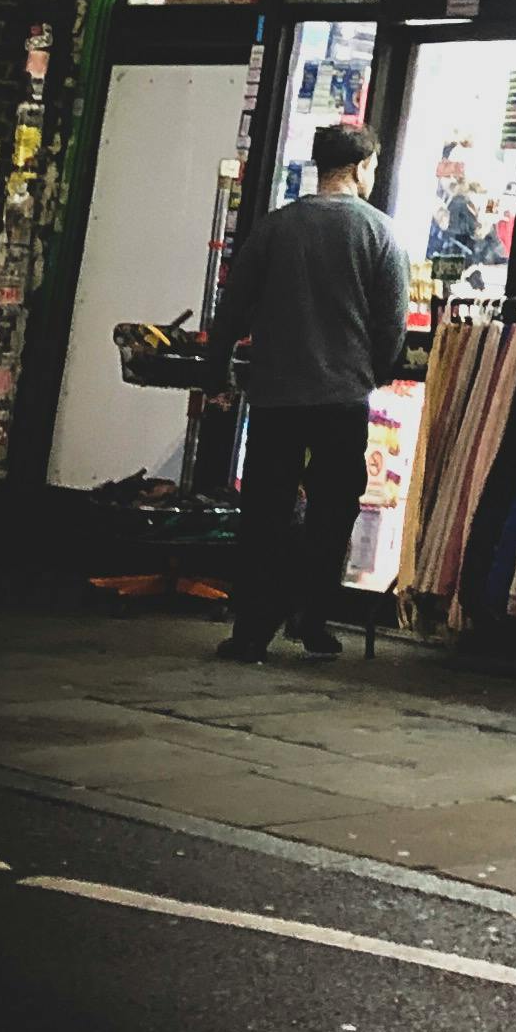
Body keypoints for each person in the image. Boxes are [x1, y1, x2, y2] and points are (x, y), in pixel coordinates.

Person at [206, 120, 411, 666]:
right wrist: (375, 371)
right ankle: (312, 618)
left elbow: (231, 308)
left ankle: (251, 630)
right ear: (362, 168)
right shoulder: (380, 233)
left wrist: (217, 371)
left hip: (275, 395)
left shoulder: (275, 228)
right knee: (332, 508)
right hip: (342, 398)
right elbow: (392, 325)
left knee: (265, 509)